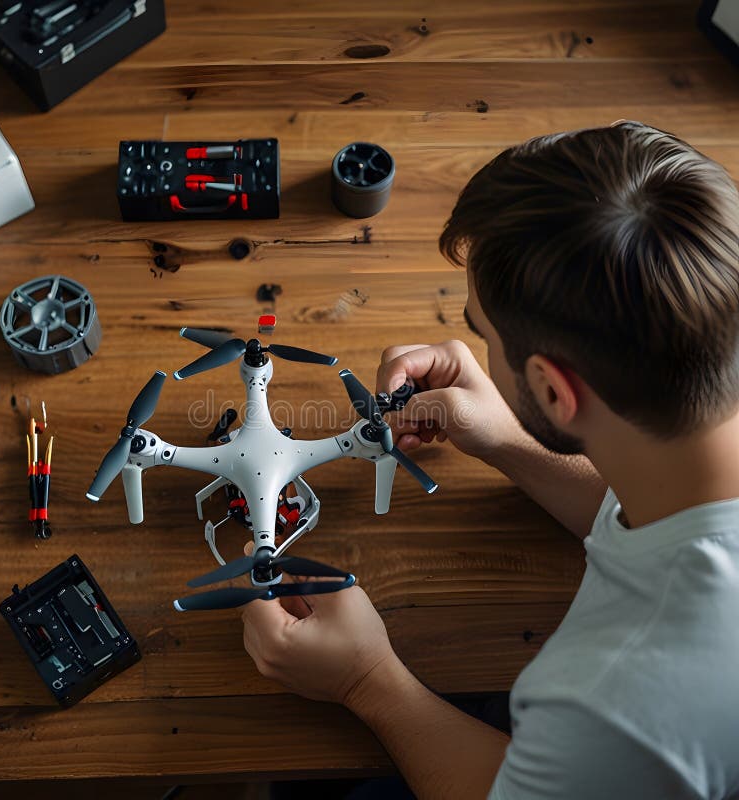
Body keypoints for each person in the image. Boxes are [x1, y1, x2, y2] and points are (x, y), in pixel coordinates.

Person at [241, 121, 739, 799]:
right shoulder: (695, 441)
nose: (472, 349)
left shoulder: (619, 705)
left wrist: (369, 681)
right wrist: (511, 438)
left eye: (483, 334)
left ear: (556, 391)